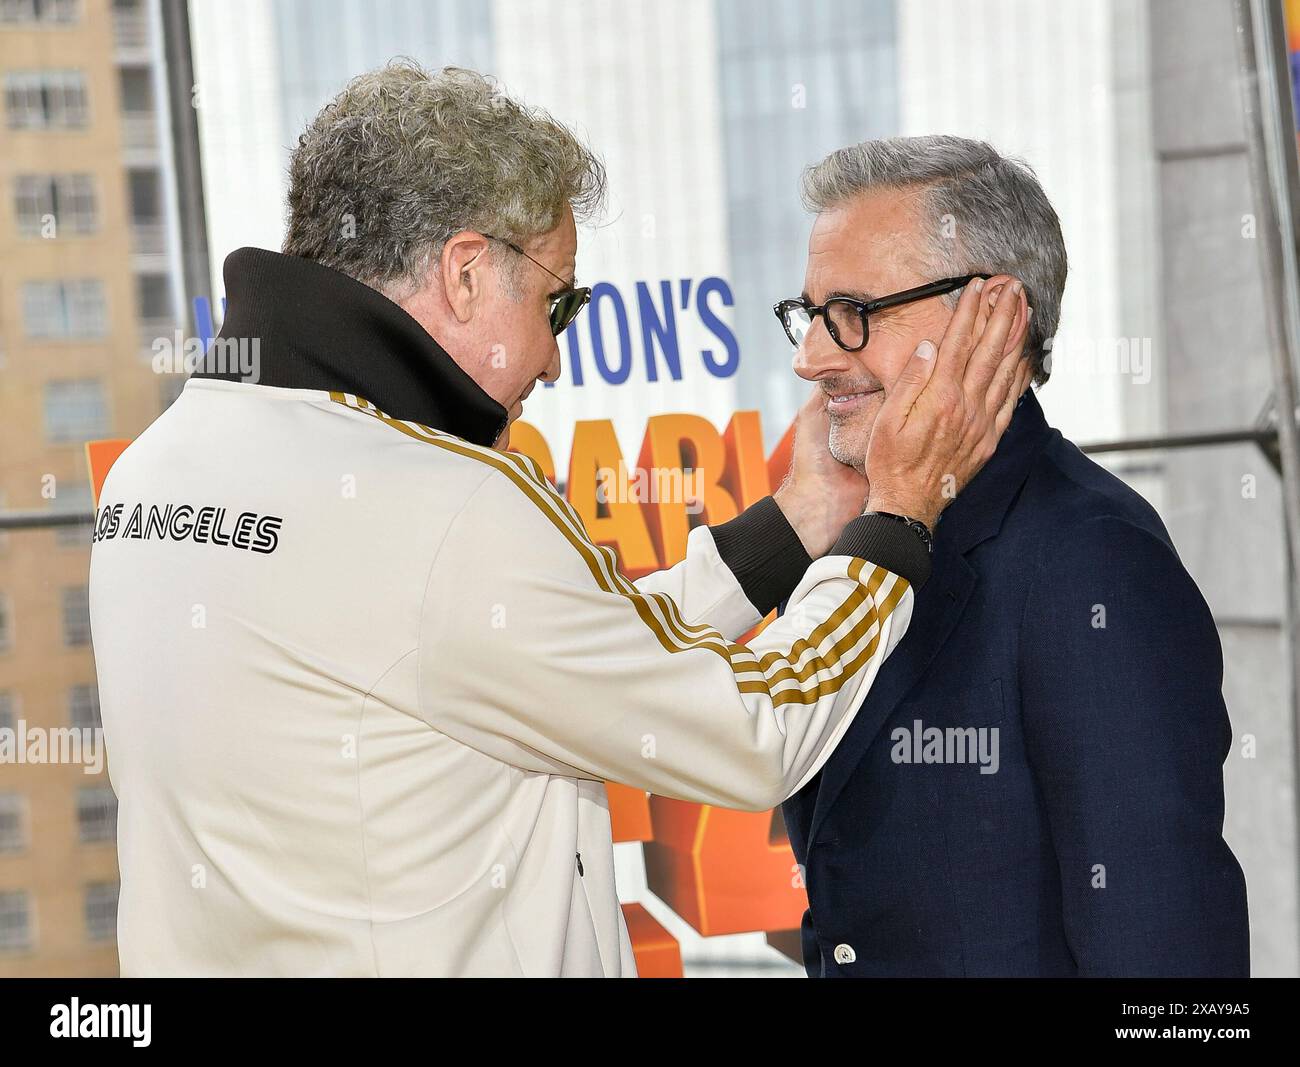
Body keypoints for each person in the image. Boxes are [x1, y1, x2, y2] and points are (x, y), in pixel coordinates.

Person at [87, 66, 1027, 977]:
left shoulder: (155, 469)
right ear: (463, 275)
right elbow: (756, 726)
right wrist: (903, 510)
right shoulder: (444, 506)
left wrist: (804, 516)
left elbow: (547, 649)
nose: (554, 363)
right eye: (558, 303)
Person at [777, 135, 1250, 977]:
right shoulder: (856, 537)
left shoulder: (1091, 559)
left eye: (852, 311)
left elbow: (1165, 960)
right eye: (807, 313)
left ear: (992, 317)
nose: (811, 357)